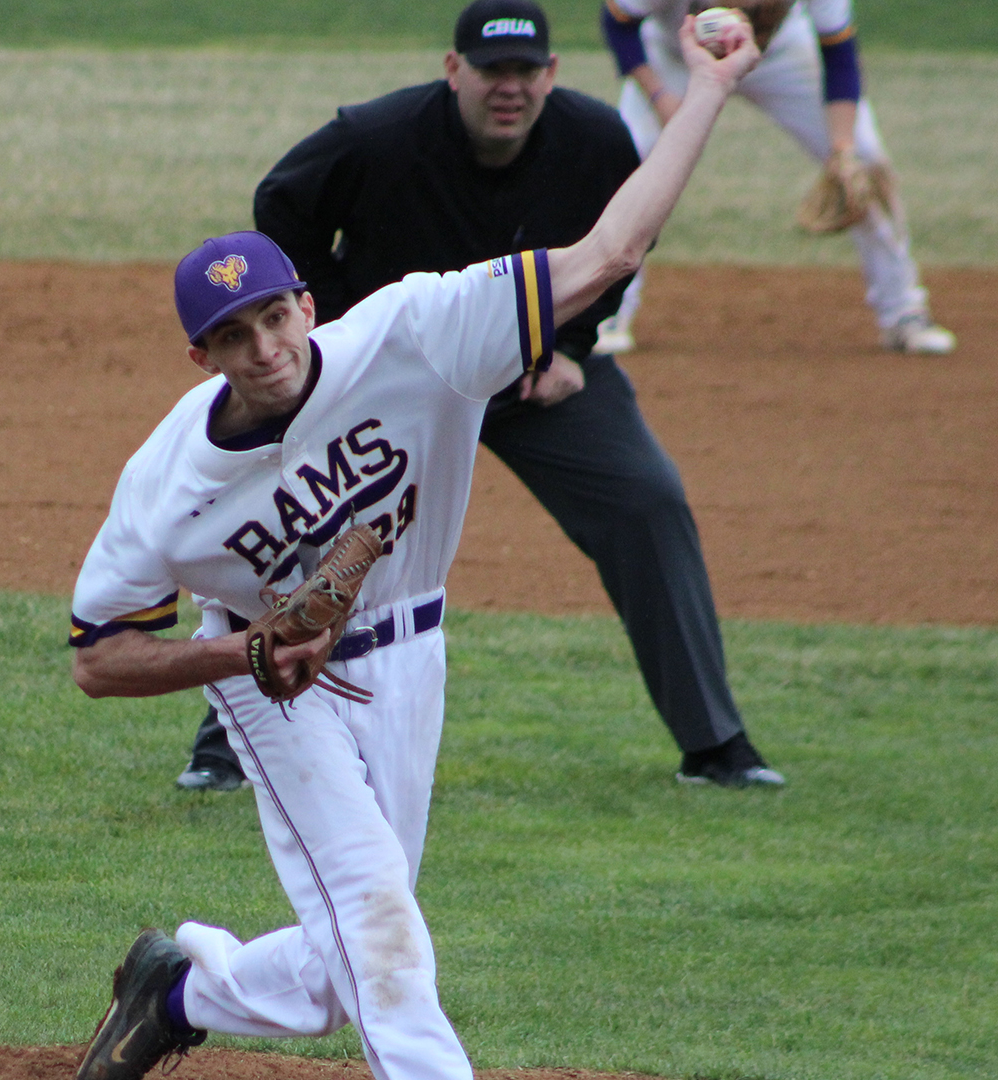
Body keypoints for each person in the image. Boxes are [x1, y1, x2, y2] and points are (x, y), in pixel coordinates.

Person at [67, 16, 762, 1080]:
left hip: (411, 658)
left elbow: (611, 251)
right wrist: (238, 657)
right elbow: (96, 658)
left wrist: (708, 90)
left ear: (308, 303)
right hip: (273, 692)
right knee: (379, 920)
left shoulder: (413, 333)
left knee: (343, 966)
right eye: (232, 337)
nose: (265, 348)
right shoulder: (167, 489)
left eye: (273, 316)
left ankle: (180, 988)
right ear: (199, 355)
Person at [173, 0, 782, 796]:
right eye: (493, 70)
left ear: (552, 76)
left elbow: (624, 247)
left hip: (531, 377)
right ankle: (228, 745)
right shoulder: (377, 138)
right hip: (386, 390)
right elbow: (280, 202)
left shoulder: (596, 139)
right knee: (309, 534)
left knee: (646, 499)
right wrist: (334, 349)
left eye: (527, 71)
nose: (511, 88)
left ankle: (715, 744)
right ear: (454, 70)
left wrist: (571, 346)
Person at [594, 0, 955, 357]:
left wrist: (843, 149)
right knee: (628, 165)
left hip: (781, 58)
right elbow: (618, 22)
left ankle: (903, 313)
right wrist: (659, 98)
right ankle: (604, 314)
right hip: (677, 56)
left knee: (866, 164)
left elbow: (839, 51)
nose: (756, 18)